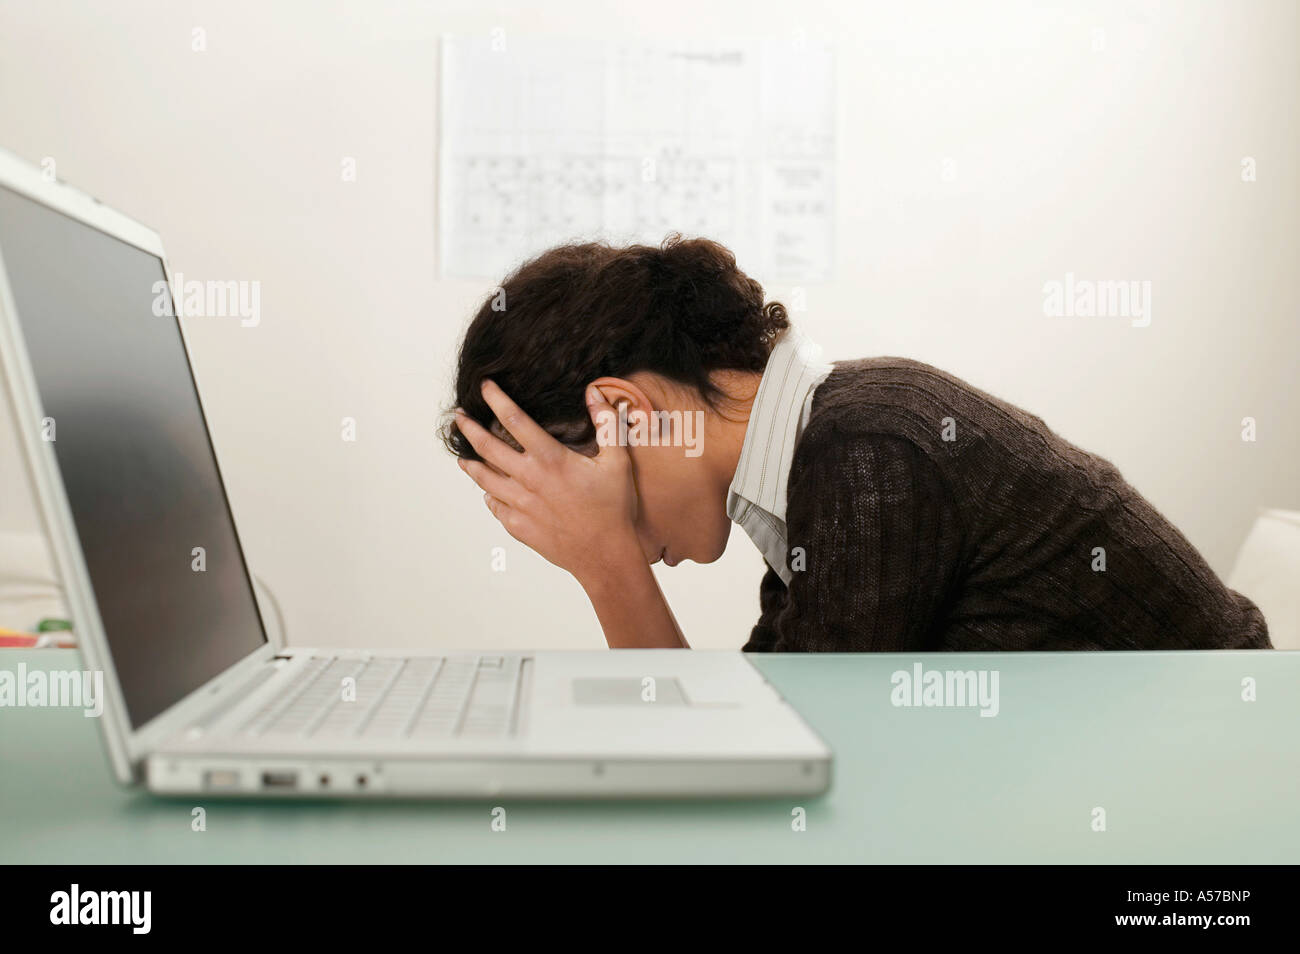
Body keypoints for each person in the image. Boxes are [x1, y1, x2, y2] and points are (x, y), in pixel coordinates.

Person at [444, 235, 1270, 652]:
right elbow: (754, 742)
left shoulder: (868, 455)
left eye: (568, 488)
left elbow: (778, 801)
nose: (582, 526)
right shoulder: (819, 461)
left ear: (626, 412)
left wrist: (606, 564)